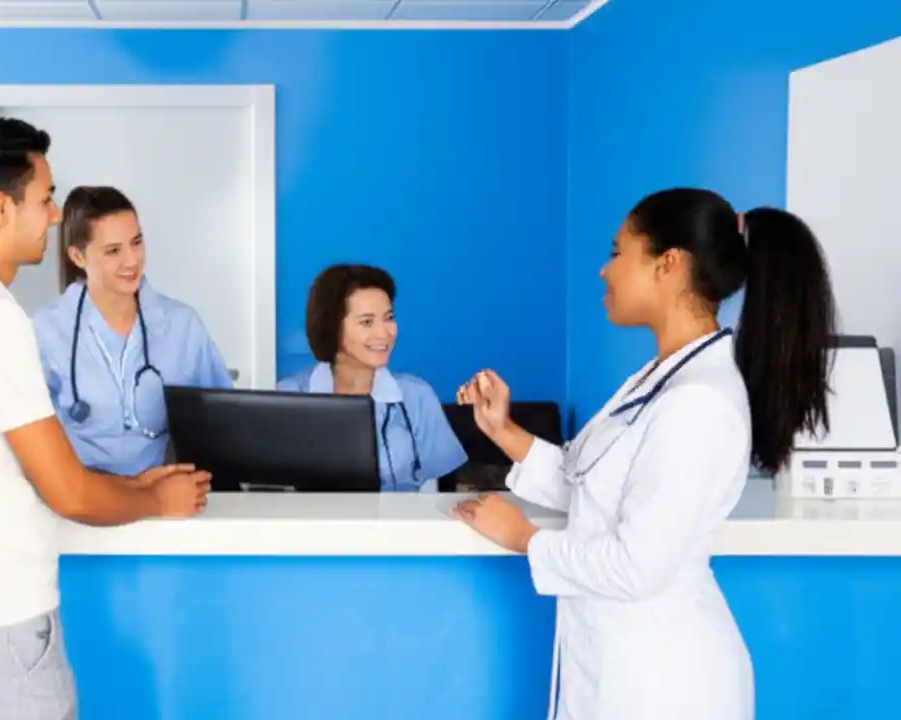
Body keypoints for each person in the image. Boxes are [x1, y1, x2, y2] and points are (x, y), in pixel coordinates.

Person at [454, 188, 837, 720]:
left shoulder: (699, 401)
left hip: (664, 686)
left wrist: (523, 538)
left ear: (669, 264)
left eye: (617, 253)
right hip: (621, 672)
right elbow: (597, 490)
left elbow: (636, 566)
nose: (603, 271)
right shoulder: (664, 377)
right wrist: (505, 432)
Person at [0, 118, 211, 719]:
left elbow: (11, 469)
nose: (53, 213)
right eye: (44, 198)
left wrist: (133, 486)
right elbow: (68, 492)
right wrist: (156, 500)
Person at [32, 186, 232, 476]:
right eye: (113, 250)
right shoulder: (47, 330)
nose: (132, 260)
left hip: (162, 493)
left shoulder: (182, 325)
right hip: (80, 496)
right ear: (77, 256)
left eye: (136, 242)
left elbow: (223, 423)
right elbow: (32, 443)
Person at [277, 264, 466, 491]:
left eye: (389, 318)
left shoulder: (417, 396)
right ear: (332, 327)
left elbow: (441, 490)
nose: (384, 333)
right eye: (367, 322)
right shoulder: (288, 397)